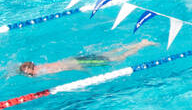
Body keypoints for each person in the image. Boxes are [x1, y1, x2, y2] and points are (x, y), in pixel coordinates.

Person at [16, 41, 157, 78]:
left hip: (80, 62)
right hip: (76, 59)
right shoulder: (40, 67)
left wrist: (84, 71)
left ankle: (143, 44)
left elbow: (67, 67)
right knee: (110, 52)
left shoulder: (42, 71)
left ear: (30, 70)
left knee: (119, 58)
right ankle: (138, 43)